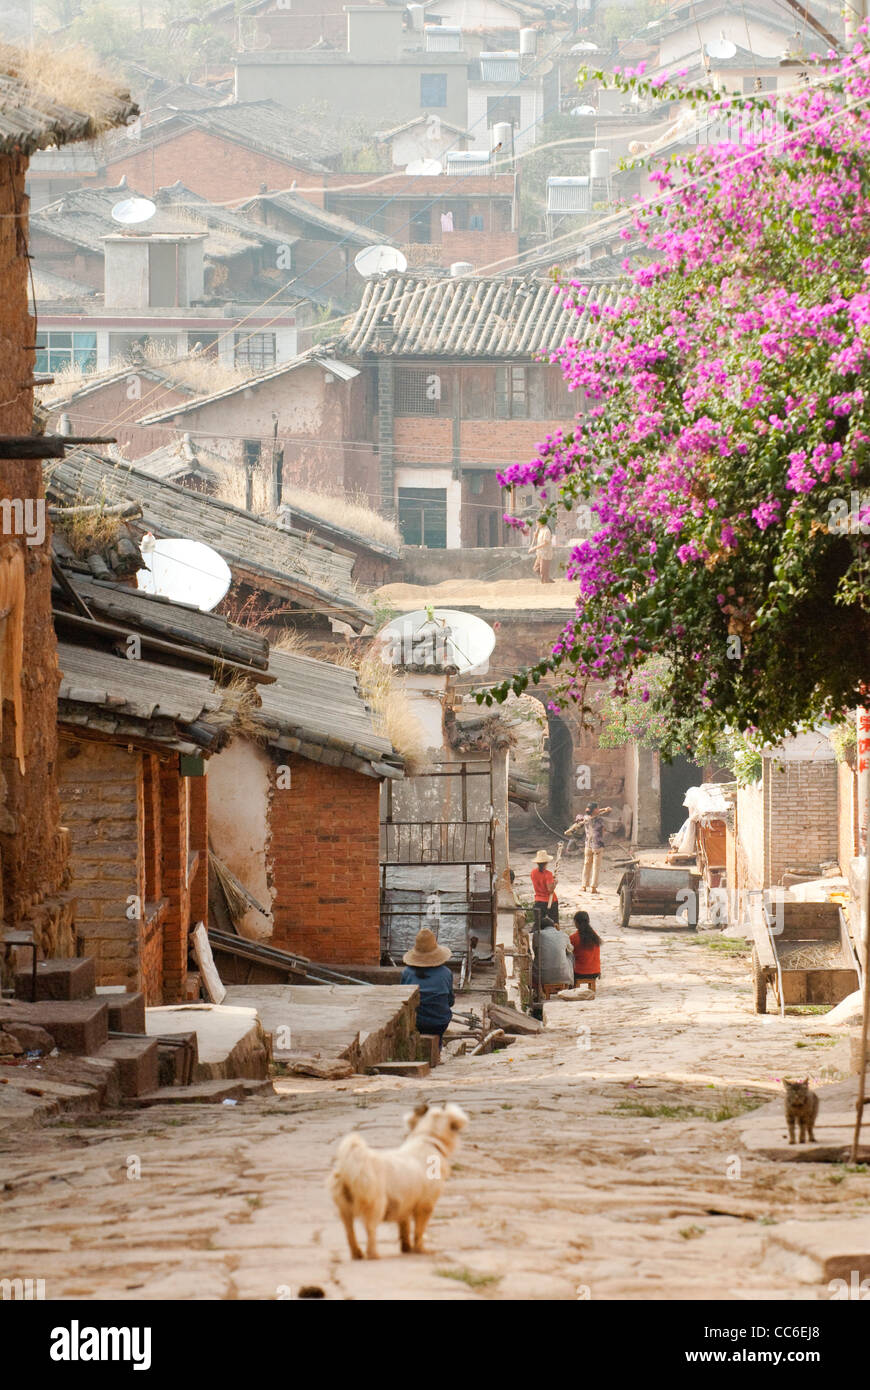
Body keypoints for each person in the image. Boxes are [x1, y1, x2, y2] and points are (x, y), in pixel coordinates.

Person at [400, 929, 455, 1049]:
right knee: (438, 1033)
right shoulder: (446, 973)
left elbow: (403, 999)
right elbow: (450, 1001)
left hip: (415, 1021)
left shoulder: (407, 973)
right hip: (439, 1022)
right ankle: (437, 1051)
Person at [567, 802, 611, 895]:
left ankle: (583, 886)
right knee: (596, 867)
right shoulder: (599, 820)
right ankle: (593, 887)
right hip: (597, 845)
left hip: (588, 845)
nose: (599, 809)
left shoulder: (585, 818)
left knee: (586, 865)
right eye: (597, 808)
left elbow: (597, 812)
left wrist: (604, 809)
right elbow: (603, 830)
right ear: (595, 810)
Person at [532, 913, 574, 999]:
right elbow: (571, 949)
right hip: (563, 976)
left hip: (543, 976)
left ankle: (538, 991)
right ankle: (570, 984)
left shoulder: (537, 934)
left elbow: (535, 951)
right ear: (554, 925)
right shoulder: (563, 934)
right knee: (570, 955)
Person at [569, 910, 602, 996]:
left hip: (580, 973)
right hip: (595, 972)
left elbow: (568, 951)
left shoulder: (574, 937)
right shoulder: (595, 935)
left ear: (576, 922)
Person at [530, 849, 558, 924]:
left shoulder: (533, 872)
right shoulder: (548, 874)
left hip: (538, 900)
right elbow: (550, 890)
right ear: (546, 862)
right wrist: (555, 883)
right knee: (554, 923)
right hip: (550, 901)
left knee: (538, 923)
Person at [529, 518, 555, 584]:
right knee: (536, 568)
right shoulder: (541, 530)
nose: (536, 524)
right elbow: (540, 540)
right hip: (540, 553)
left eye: (537, 523)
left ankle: (545, 582)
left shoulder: (547, 531)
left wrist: (534, 548)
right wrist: (536, 535)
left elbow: (545, 543)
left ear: (541, 523)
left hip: (545, 553)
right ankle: (548, 579)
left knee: (543, 572)